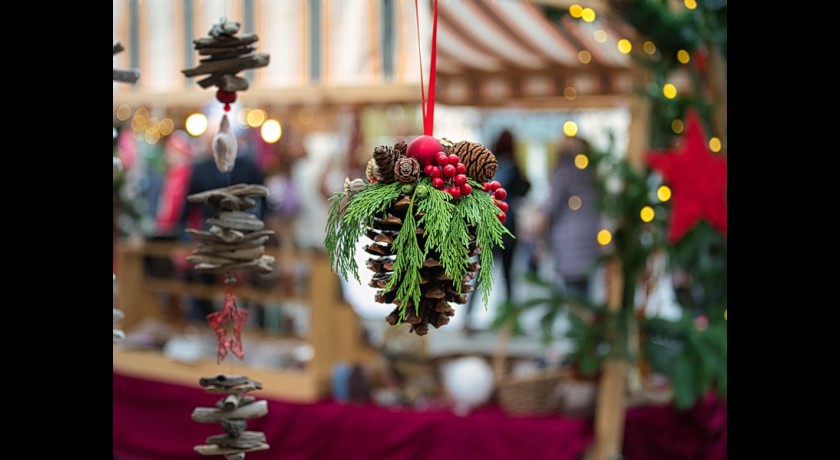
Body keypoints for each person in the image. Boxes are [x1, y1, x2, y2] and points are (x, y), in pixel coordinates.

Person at [463, 129, 531, 332]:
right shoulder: (513, 168)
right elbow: (526, 188)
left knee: (482, 275)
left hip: (488, 230)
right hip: (507, 230)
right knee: (509, 277)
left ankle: (468, 320)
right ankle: (510, 323)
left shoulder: (487, 168)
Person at [542, 136, 601, 300]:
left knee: (573, 296)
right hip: (590, 238)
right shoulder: (592, 174)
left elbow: (551, 206)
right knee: (585, 291)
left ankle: (578, 324)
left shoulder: (562, 173)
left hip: (568, 239)